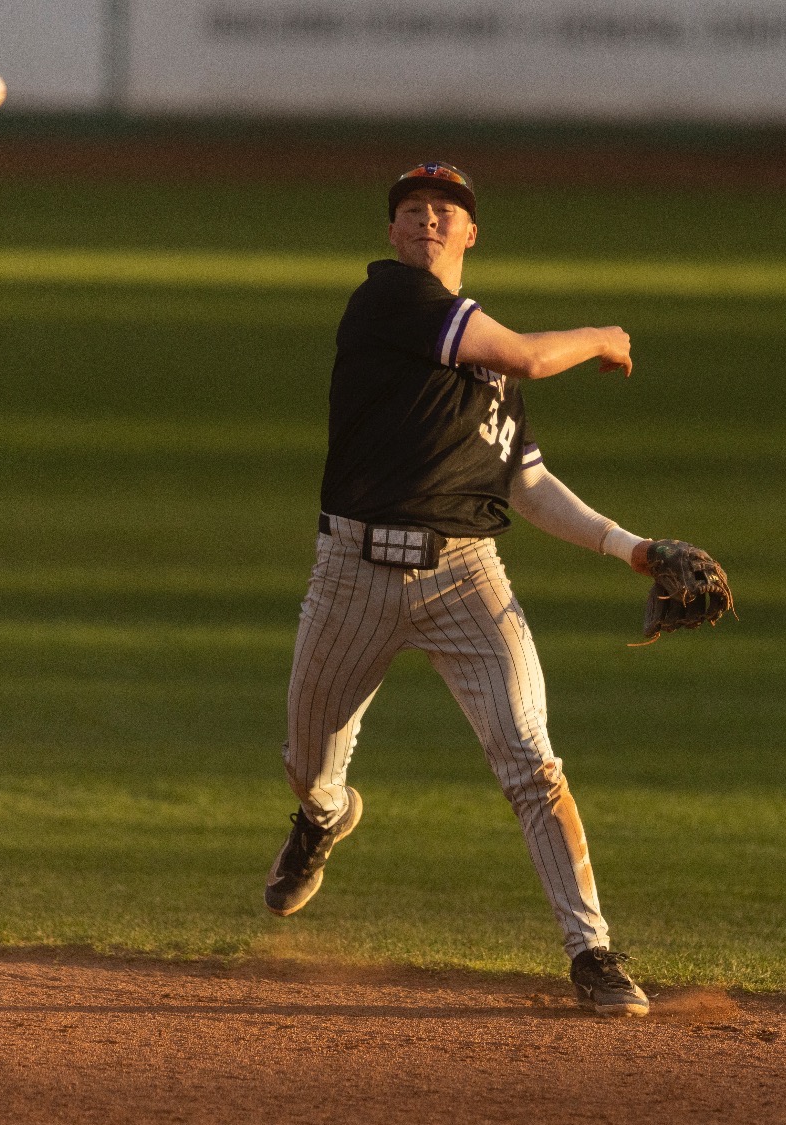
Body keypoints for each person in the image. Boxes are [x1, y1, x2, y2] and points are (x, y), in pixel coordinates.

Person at [266, 161, 673, 1016]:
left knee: (530, 754)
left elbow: (526, 484)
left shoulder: (483, 367)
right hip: (352, 576)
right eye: (411, 209)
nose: (426, 221)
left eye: (445, 211)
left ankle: (592, 950)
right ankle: (327, 815)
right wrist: (602, 333)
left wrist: (629, 548)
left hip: (467, 577)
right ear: (391, 232)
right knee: (307, 767)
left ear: (471, 232)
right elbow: (527, 352)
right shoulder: (388, 301)